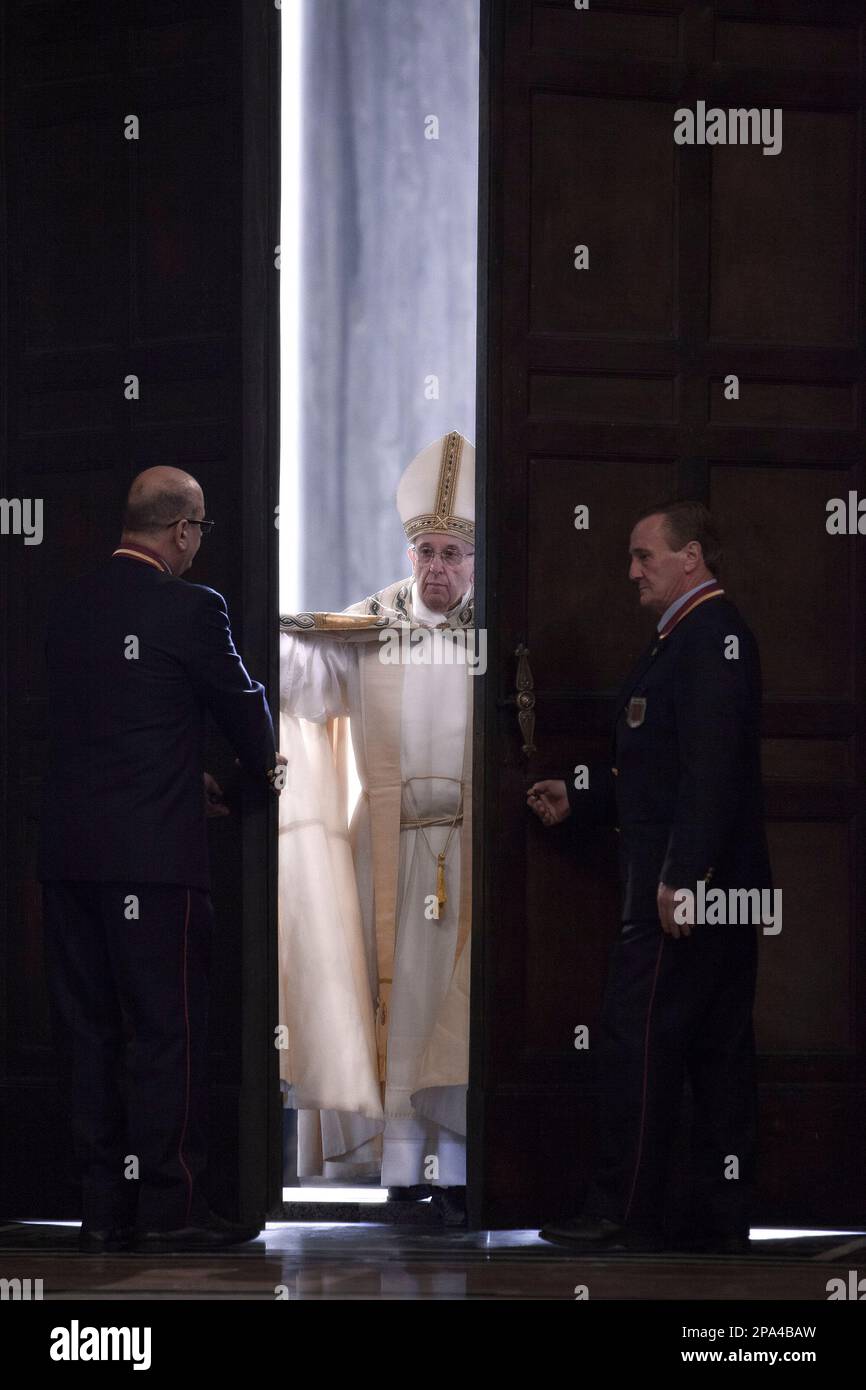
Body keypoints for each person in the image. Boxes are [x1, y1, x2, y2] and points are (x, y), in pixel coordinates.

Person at [38, 466, 283, 1253]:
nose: (199, 544)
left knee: (89, 1036)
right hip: (155, 864)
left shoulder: (67, 604)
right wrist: (245, 786)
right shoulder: (191, 608)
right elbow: (248, 715)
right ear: (181, 530)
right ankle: (172, 1208)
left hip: (70, 862)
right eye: (200, 530)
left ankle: (102, 1210)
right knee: (165, 1035)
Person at [528, 501, 771, 1254]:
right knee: (714, 1050)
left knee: (640, 1045)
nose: (632, 571)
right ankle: (716, 1217)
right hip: (717, 888)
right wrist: (585, 793)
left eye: (644, 557)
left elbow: (712, 773)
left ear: (690, 556)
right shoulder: (686, 640)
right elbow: (656, 764)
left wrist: (683, 876)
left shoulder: (709, 638)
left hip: (686, 892)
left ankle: (620, 1212)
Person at [278, 431, 475, 1222]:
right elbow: (303, 682)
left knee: (450, 1009)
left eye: (451, 555)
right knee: (394, 1004)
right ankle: (403, 1171)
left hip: (467, 847)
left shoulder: (497, 631)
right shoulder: (371, 623)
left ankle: (461, 1172)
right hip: (385, 847)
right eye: (425, 551)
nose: (435, 569)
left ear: (472, 558)